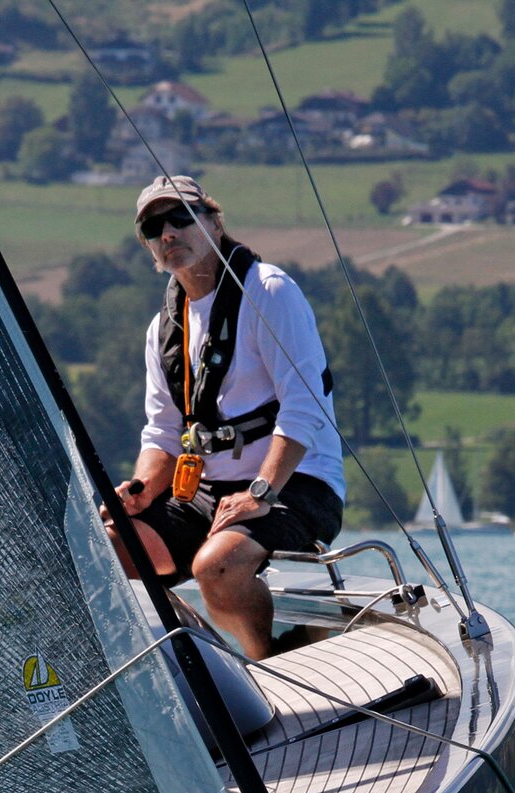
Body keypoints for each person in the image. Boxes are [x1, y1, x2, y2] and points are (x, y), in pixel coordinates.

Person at [107, 175, 344, 660]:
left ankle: (268, 665)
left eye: (181, 218)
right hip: (208, 490)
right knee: (107, 546)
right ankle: (209, 660)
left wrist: (260, 492)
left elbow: (304, 406)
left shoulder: (269, 291)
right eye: (154, 228)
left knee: (215, 567)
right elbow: (163, 433)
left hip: (298, 483)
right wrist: (141, 490)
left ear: (214, 223)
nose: (168, 233)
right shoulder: (162, 329)